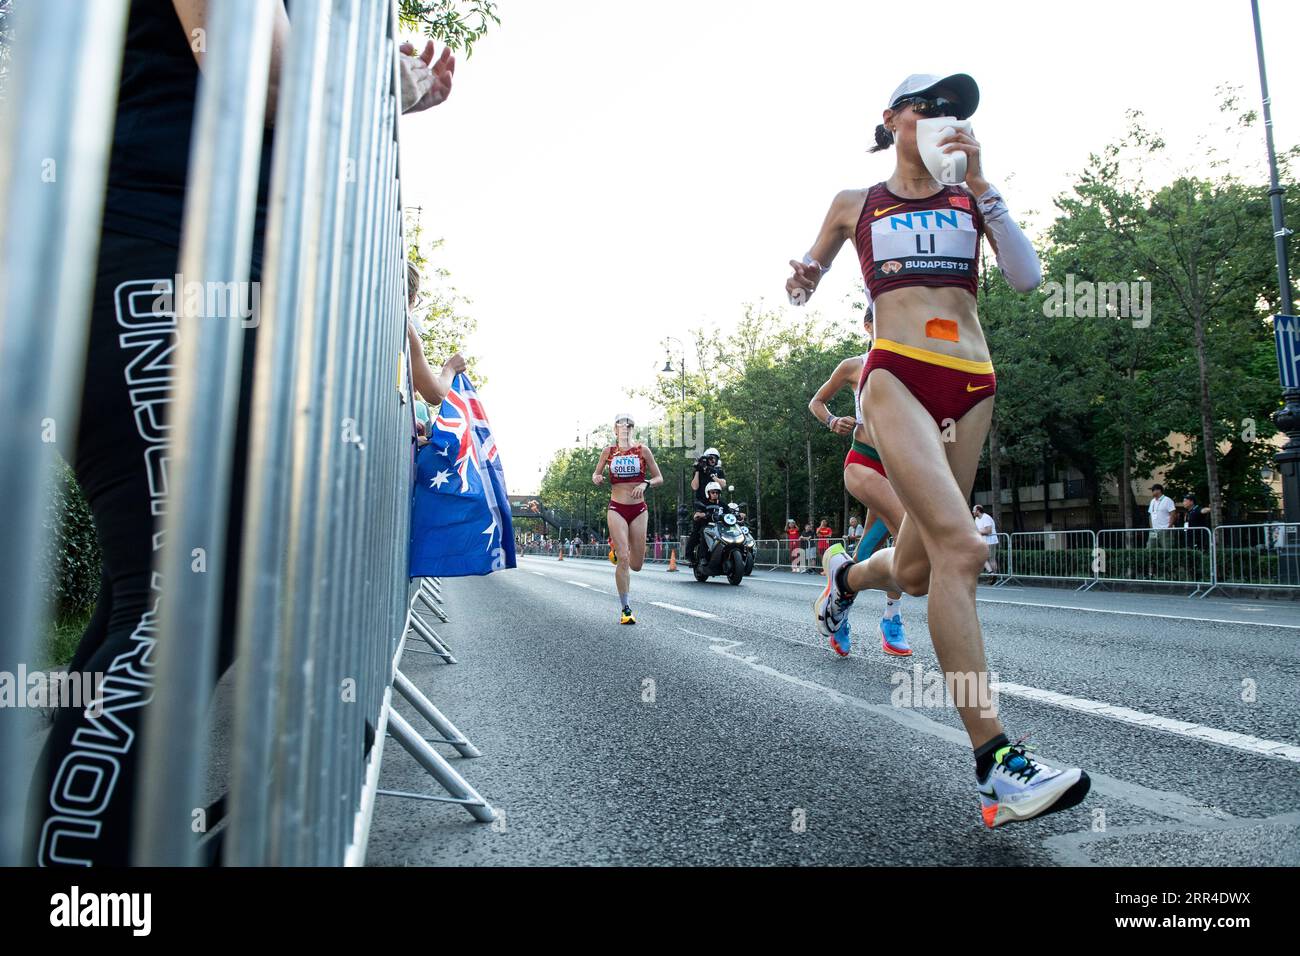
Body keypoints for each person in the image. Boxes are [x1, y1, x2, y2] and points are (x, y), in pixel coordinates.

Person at [28, 0, 456, 867]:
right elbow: (242, 57)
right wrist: (384, 84)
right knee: (174, 604)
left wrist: (385, 90)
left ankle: (89, 858)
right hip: (148, 271)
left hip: (185, 280)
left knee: (150, 605)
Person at [788, 72, 1089, 828]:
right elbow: (810, 272)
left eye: (956, 111)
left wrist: (986, 187)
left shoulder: (970, 199)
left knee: (919, 569)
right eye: (930, 106)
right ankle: (997, 763)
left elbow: (1026, 278)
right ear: (892, 119)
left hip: (973, 384)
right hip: (896, 375)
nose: (944, 119)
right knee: (962, 550)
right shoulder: (855, 203)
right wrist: (804, 277)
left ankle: (845, 580)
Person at [808, 309, 911, 655]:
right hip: (863, 462)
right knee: (906, 532)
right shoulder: (855, 365)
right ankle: (892, 618)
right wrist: (833, 420)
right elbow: (816, 401)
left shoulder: (913, 362)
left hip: (898, 468)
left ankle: (839, 600)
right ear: (868, 326)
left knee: (868, 549)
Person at [592, 413, 663, 624]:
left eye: (629, 424)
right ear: (615, 429)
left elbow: (659, 477)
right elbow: (595, 475)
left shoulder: (643, 450)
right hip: (617, 508)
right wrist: (597, 477)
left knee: (637, 565)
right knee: (623, 557)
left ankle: (619, 549)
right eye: (621, 424)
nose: (625, 427)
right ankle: (626, 609)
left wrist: (646, 484)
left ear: (633, 429)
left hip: (639, 510)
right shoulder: (608, 452)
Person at [686, 447, 725, 565]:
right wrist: (698, 470)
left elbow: (723, 485)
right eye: (710, 458)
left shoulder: (718, 471)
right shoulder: (700, 471)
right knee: (699, 528)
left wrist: (711, 474)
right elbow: (694, 487)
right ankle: (690, 554)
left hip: (715, 503)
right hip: (701, 503)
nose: (713, 460)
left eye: (715, 458)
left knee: (722, 526)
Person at [691, 482, 726, 566]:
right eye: (713, 492)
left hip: (721, 527)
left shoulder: (722, 504)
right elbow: (696, 514)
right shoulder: (703, 503)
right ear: (708, 493)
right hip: (708, 526)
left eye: (717, 492)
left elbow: (730, 511)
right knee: (704, 533)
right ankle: (703, 557)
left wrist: (739, 514)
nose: (715, 494)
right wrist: (701, 514)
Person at [1147, 484, 1175, 549]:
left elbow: (1173, 514)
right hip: (1154, 530)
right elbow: (1150, 515)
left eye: (1153, 490)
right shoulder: (1152, 501)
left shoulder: (1167, 500)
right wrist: (1152, 528)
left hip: (1165, 529)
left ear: (1159, 490)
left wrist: (1169, 527)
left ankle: (1168, 559)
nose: (1152, 492)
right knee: (1149, 548)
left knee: (1167, 549)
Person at [973, 504, 998, 574]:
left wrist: (978, 531)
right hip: (983, 541)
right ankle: (992, 574)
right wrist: (979, 531)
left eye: (974, 510)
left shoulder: (986, 517)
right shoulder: (977, 519)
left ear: (978, 511)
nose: (972, 512)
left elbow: (988, 531)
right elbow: (977, 530)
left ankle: (994, 575)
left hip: (990, 541)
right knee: (982, 558)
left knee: (991, 559)